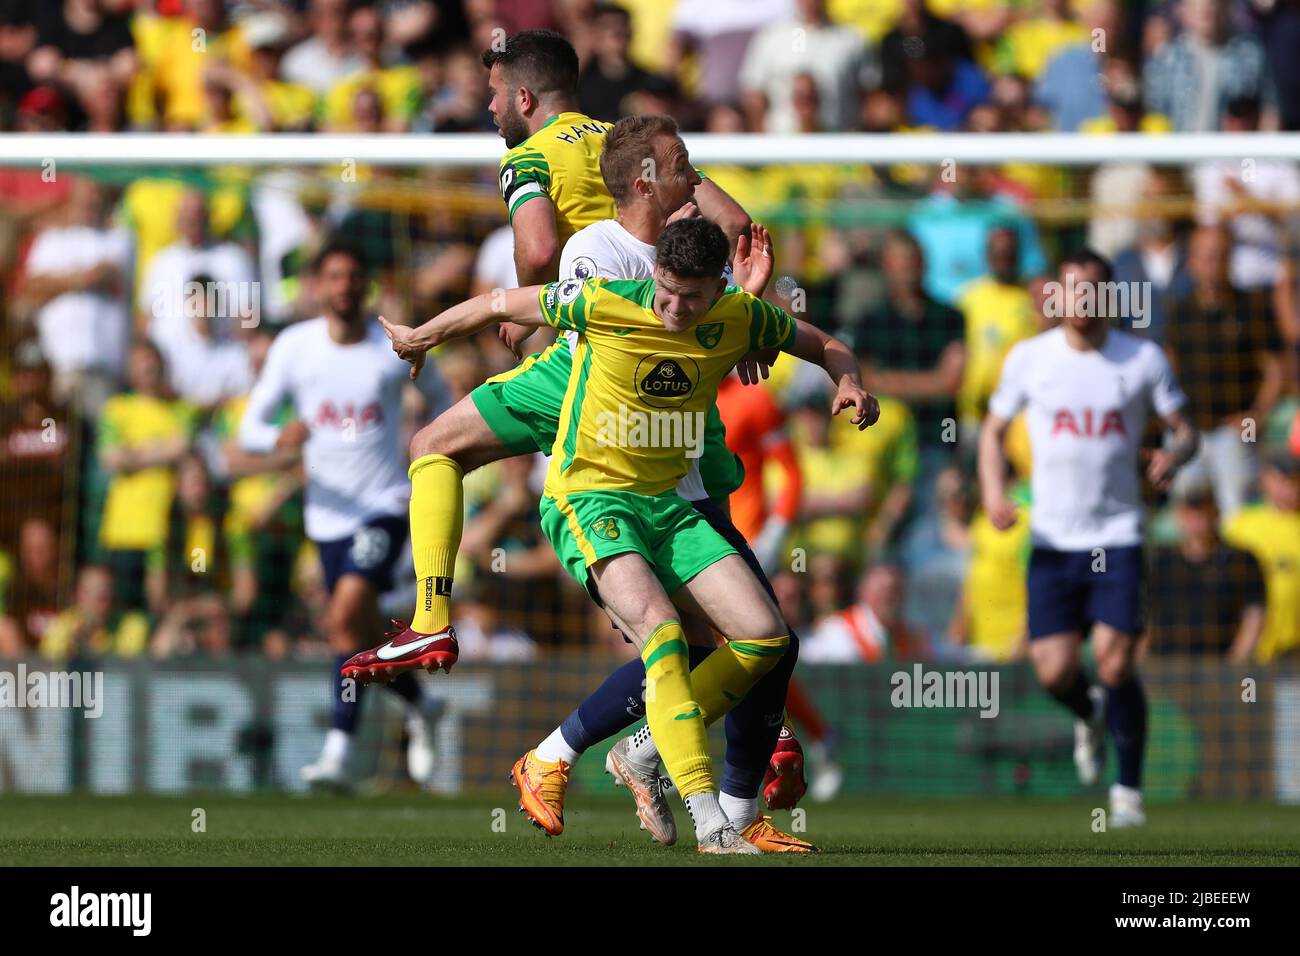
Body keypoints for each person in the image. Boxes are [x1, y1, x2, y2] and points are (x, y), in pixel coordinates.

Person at [359, 217, 879, 853]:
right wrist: (421, 336)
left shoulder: (741, 316)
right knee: (662, 636)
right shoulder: (605, 301)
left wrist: (849, 380)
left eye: (690, 296)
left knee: (767, 638)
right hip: (591, 498)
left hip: (670, 507)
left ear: (718, 287)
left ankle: (640, 752)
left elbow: (823, 343)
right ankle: (711, 822)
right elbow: (499, 302)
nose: (672, 306)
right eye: (664, 289)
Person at [978, 249, 1199, 827]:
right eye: (1070, 291)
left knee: (1115, 660)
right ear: (1057, 297)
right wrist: (995, 493)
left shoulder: (1143, 358)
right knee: (1053, 671)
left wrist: (1174, 456)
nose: (1080, 301)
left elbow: (1186, 430)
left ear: (1110, 296)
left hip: (1118, 533)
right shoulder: (1030, 358)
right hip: (1053, 539)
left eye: (1091, 291)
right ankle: (1091, 712)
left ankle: (1128, 791)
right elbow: (992, 429)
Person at [238, 240, 450, 790]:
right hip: (325, 516)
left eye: (354, 275)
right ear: (318, 285)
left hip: (383, 504)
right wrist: (276, 437)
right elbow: (249, 428)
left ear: (365, 284)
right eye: (334, 275)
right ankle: (420, 703)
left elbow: (442, 395)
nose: (344, 285)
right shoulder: (294, 347)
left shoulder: (391, 346)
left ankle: (339, 751)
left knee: (341, 618)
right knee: (352, 631)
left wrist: (434, 450)